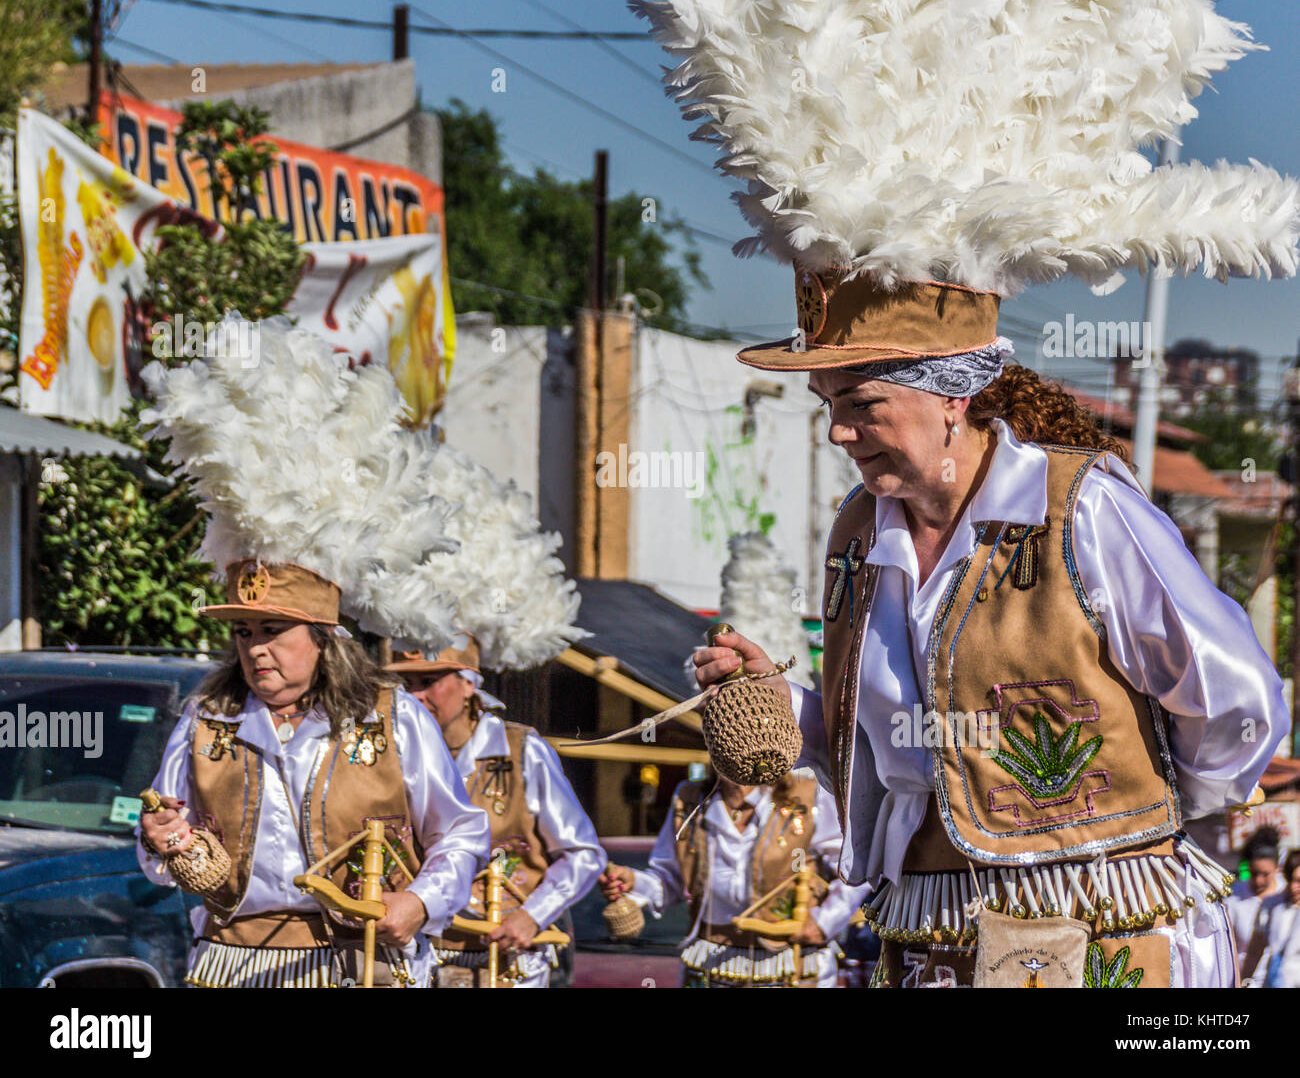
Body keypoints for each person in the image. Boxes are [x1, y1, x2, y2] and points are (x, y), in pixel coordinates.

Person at [694, 355, 1287, 988]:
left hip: (1100, 918)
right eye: (827, 404)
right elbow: (883, 747)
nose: (837, 430)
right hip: (931, 926)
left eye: (862, 404)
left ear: (952, 398)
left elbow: (1237, 701)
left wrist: (1141, 816)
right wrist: (783, 702)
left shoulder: (1081, 509)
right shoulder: (859, 531)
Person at [139, 564, 490, 988]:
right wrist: (163, 839)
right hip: (231, 966)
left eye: (272, 630)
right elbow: (161, 842)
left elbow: (460, 833)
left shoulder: (393, 717)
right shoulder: (208, 718)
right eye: (244, 632)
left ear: (323, 639)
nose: (255, 649)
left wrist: (420, 903)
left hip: (364, 966)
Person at [390, 637, 605, 988]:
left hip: (509, 964)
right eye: (406, 684)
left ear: (468, 684)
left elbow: (582, 854)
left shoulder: (522, 751)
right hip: (419, 960)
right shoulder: (395, 757)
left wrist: (531, 916)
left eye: (428, 682)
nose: (414, 696)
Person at [600, 769, 869, 987]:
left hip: (792, 967)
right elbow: (670, 879)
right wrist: (633, 883)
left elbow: (854, 866)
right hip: (710, 967)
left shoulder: (808, 794)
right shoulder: (690, 799)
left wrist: (823, 922)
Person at [1228, 826, 1287, 974]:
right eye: (1254, 873)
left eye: (1265, 874)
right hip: (1243, 977)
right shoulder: (1234, 896)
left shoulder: (1286, 893)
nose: (1259, 881)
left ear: (1277, 868)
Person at [1248, 851, 1300, 988]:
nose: (1294, 887)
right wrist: (1243, 981)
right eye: (1291, 880)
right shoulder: (1272, 906)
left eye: (1299, 881)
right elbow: (1255, 949)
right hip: (1275, 980)